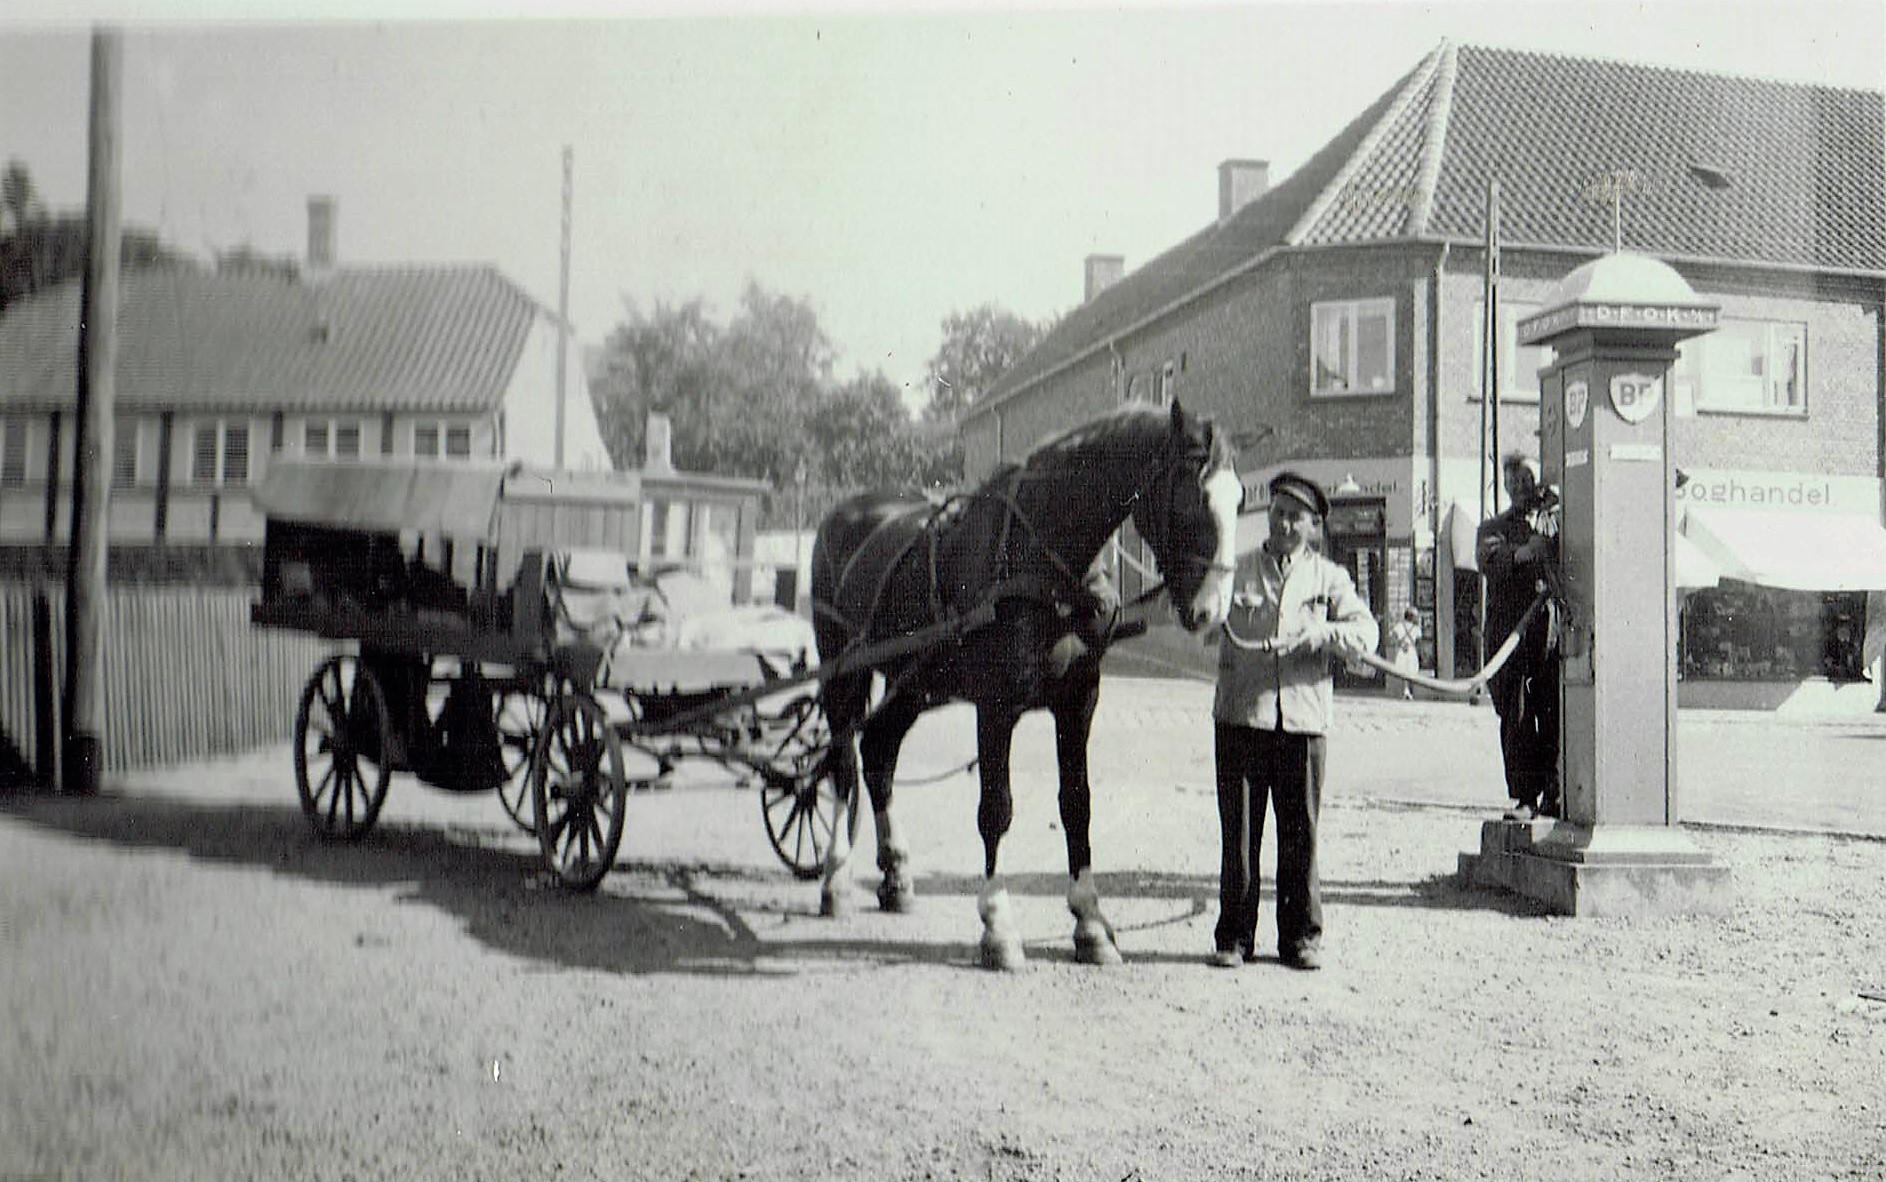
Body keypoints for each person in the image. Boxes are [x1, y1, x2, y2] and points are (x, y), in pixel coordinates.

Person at [1210, 471, 1378, 971]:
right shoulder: (1235, 570)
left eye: (1295, 517)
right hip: (1241, 718)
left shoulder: (1330, 578)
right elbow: (1200, 616)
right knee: (1239, 836)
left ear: (1313, 528)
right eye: (1278, 513)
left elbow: (1366, 634)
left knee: (1300, 833)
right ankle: (1234, 938)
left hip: (1302, 722)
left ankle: (1301, 938)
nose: (1284, 523)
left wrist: (1322, 632)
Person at [1476, 453, 1562, 821]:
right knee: (1517, 716)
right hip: (1510, 638)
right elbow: (1490, 561)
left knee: (1555, 712)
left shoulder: (1555, 522)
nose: (1519, 487)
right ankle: (1526, 796)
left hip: (1549, 635)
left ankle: (1556, 794)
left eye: (1526, 479)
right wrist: (1526, 553)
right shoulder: (1493, 528)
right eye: (1512, 481)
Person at [1384, 608, 1422, 699]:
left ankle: (1406, 690)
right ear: (1412, 617)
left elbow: (1391, 638)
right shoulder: (1416, 629)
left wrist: (1399, 643)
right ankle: (1408, 691)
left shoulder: (1398, 626)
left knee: (1403, 670)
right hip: (1412, 651)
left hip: (1402, 650)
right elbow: (1419, 642)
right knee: (1412, 670)